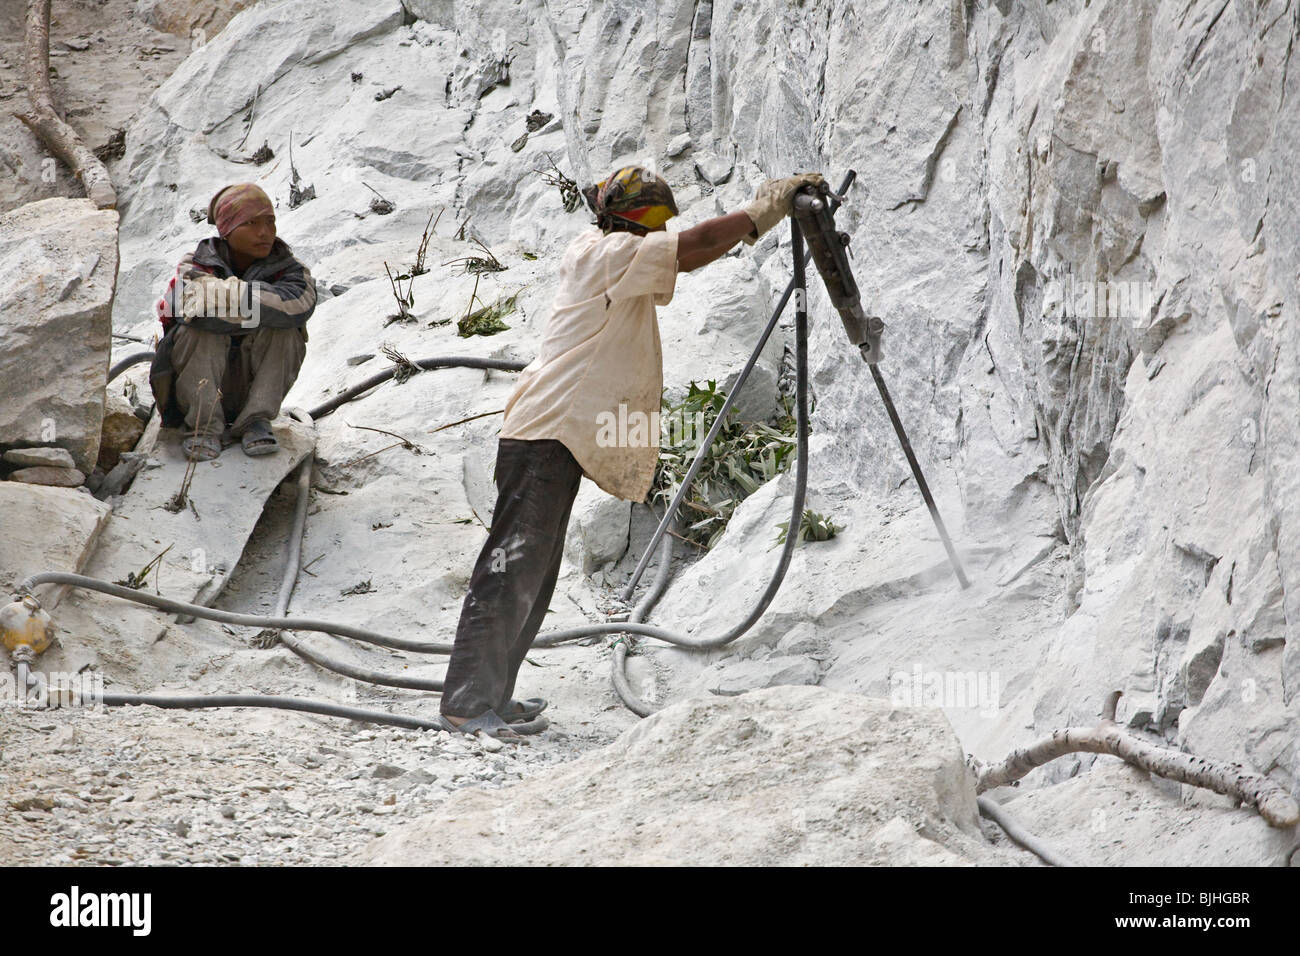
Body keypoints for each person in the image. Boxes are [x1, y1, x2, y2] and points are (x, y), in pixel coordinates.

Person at [439, 165, 824, 738]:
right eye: (654, 218)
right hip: (546, 430)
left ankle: (492, 695)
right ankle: (467, 704)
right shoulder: (607, 253)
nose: (660, 230)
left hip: (556, 434)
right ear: (626, 217)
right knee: (510, 567)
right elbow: (692, 250)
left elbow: (683, 250)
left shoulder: (610, 253)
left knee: (533, 574)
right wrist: (760, 212)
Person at [149, 183, 317, 461]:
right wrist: (260, 310)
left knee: (287, 331)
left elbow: (297, 306)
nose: (264, 233)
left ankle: (255, 420)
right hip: (195, 392)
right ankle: (203, 426)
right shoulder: (194, 264)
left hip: (251, 386)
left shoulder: (290, 269)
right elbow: (192, 308)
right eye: (251, 223)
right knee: (197, 332)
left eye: (270, 222)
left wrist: (227, 296)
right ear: (227, 229)